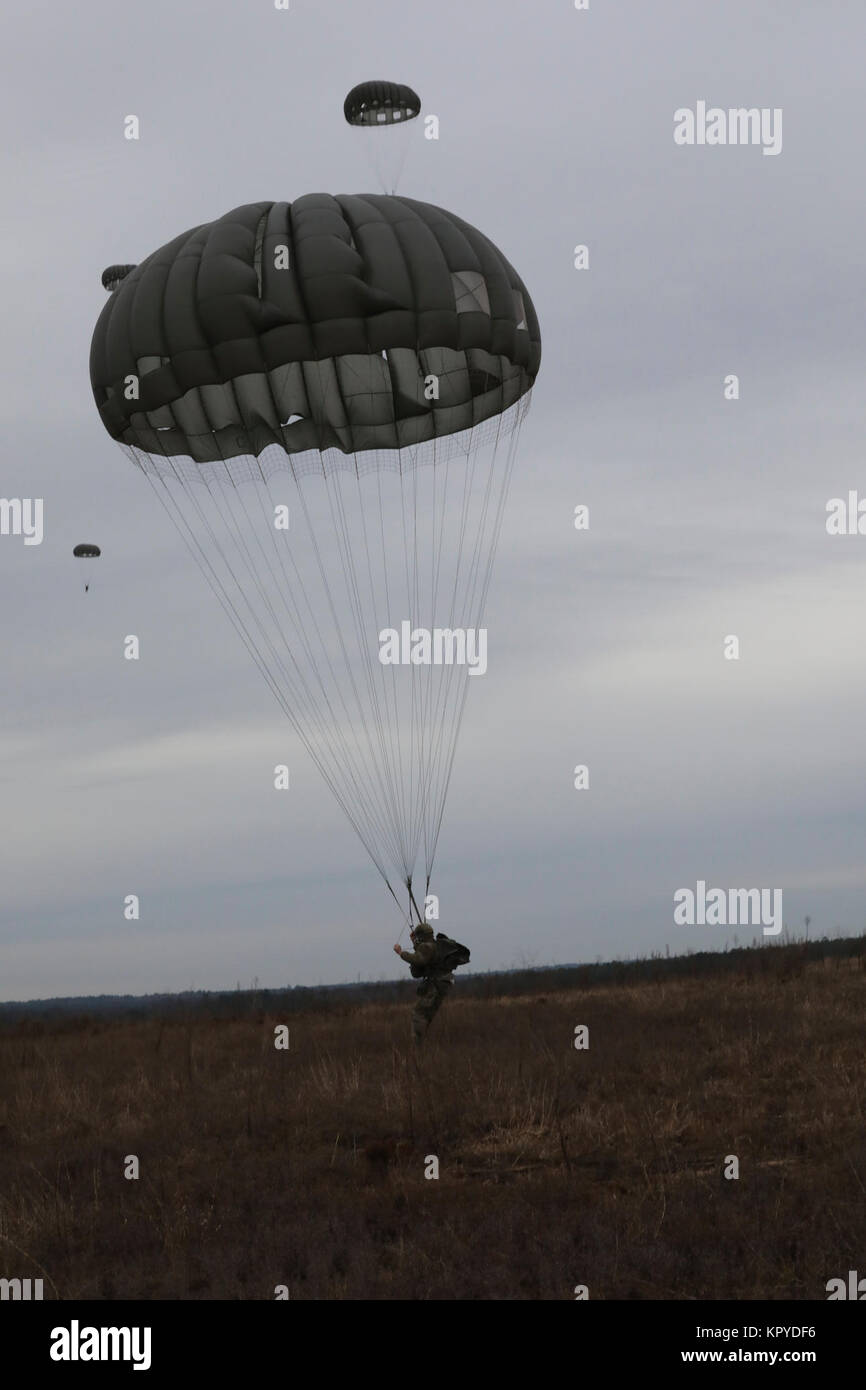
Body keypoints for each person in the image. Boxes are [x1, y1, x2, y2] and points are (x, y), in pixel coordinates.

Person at [393, 922, 455, 1046]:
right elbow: (422, 955)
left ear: (421, 936)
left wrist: (401, 953)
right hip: (443, 983)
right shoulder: (434, 945)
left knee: (419, 1013)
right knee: (426, 1015)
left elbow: (419, 959)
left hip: (435, 985)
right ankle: (423, 1042)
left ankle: (417, 1045)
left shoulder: (427, 947)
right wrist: (414, 941)